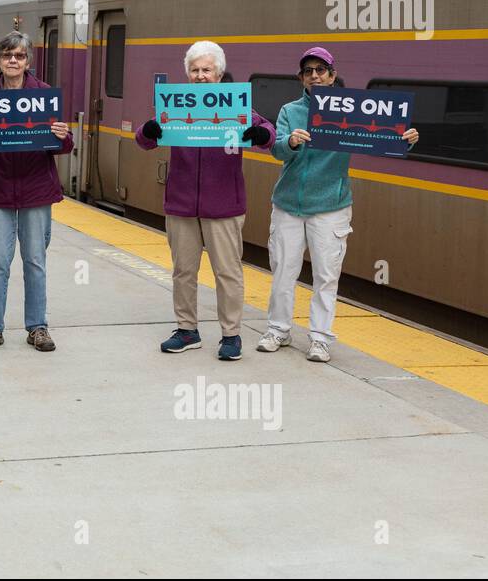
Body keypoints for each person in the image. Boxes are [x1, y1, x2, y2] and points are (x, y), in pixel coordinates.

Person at [258, 47, 420, 362]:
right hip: (288, 203)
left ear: (333, 75)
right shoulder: (290, 111)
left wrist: (406, 138)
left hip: (331, 206)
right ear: (301, 78)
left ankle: (319, 338)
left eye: (321, 69)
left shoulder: (356, 109)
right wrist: (290, 142)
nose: (315, 75)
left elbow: (382, 140)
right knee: (282, 271)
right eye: (309, 71)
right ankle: (278, 330)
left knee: (326, 276)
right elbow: (276, 149)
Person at [135, 41, 276, 360]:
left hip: (224, 205)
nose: (200, 76)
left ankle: (231, 335)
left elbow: (268, 133)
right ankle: (187, 330)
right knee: (183, 271)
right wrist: (150, 128)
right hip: (182, 204)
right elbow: (143, 141)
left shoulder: (235, 105)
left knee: (227, 272)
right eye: (195, 70)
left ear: (219, 73)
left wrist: (260, 135)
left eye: (206, 70)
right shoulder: (174, 105)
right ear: (188, 74)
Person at [0, 33, 73, 353]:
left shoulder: (45, 97)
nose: (14, 60)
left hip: (36, 189)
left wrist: (64, 135)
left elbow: (62, 147)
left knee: (35, 260)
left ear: (28, 61)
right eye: (8, 55)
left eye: (20, 56)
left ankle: (38, 326)